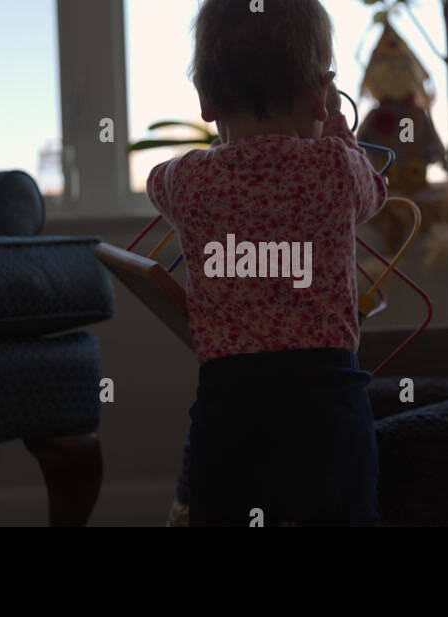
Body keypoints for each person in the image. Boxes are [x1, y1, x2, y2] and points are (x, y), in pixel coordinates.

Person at [147, 0, 388, 526]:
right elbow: (374, 191)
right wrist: (339, 128)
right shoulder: (337, 167)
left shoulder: (187, 179)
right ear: (321, 94)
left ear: (206, 98)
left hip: (230, 410)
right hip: (328, 406)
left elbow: (155, 184)